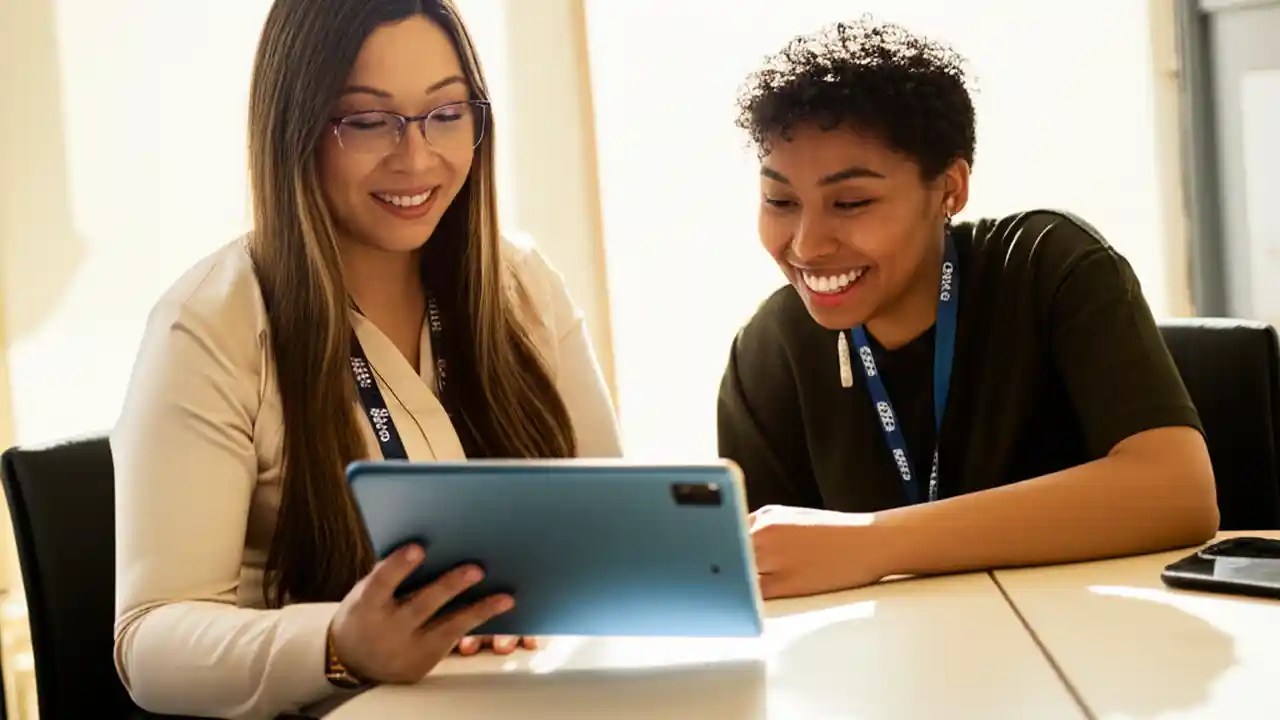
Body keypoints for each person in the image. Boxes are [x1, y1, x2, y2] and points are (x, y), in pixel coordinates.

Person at [111, 1, 620, 717]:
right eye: (367, 121)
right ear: (296, 131)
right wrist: (340, 645)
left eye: (446, 114)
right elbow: (150, 643)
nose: (416, 158)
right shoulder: (210, 323)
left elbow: (612, 526)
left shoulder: (519, 282)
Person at [718, 19, 1219, 601]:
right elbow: (760, 571)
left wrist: (875, 542)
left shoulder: (1046, 265)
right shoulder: (770, 345)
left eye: (851, 202)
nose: (807, 245)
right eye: (780, 201)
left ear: (950, 189)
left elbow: (1177, 493)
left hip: (1091, 658)